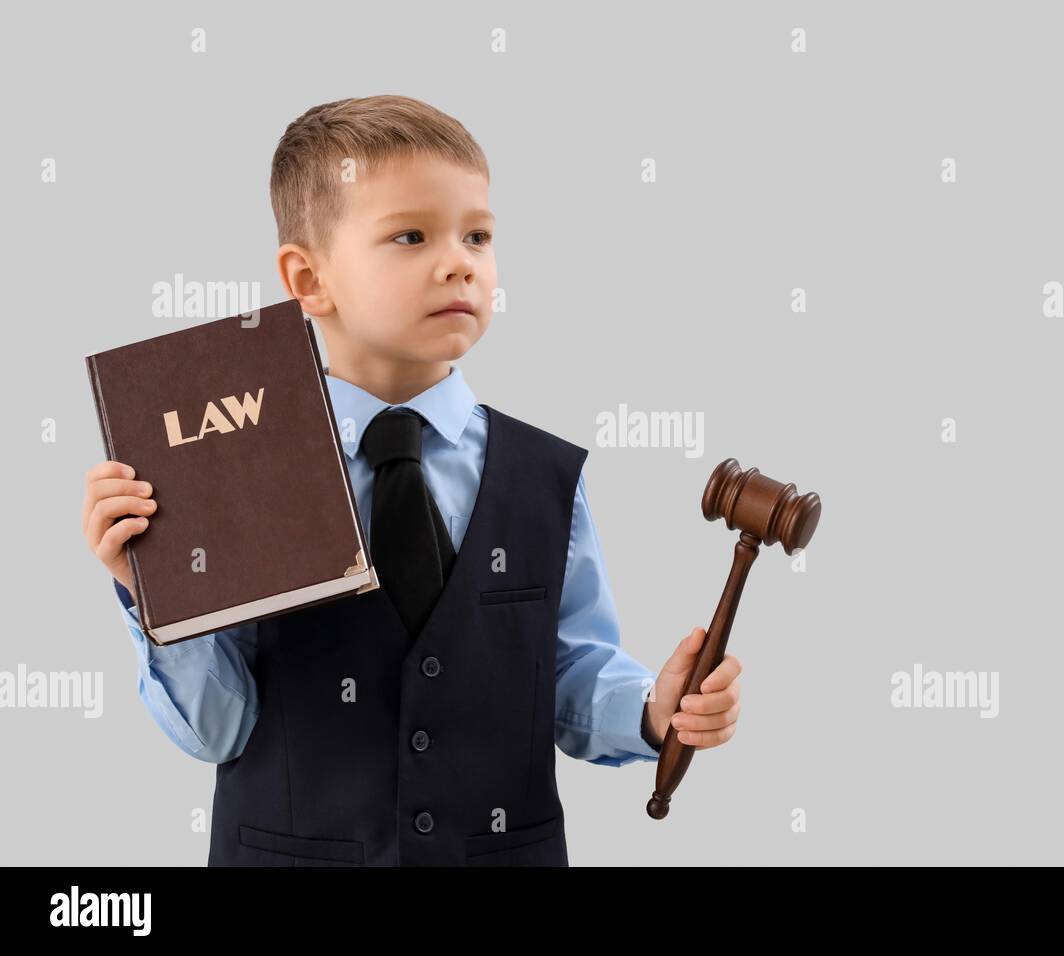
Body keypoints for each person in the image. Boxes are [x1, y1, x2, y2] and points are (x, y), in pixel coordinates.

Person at [81, 94, 741, 865]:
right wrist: (151, 588)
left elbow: (564, 669)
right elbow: (218, 730)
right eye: (410, 235)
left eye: (479, 235)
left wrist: (653, 709)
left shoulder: (545, 474)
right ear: (308, 277)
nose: (460, 259)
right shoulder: (232, 469)